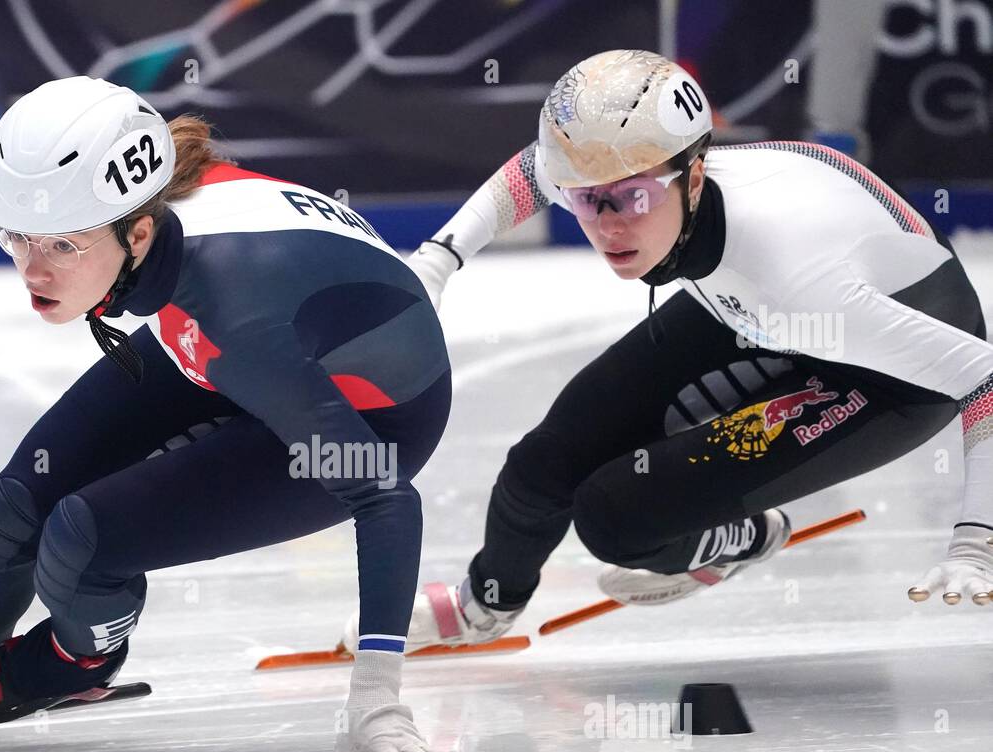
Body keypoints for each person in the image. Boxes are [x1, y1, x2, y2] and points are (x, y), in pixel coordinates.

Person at [0, 76, 469, 752]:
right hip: (254, 344)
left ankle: (77, 663)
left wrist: (377, 691)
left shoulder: (237, 319)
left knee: (80, 541)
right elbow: (39, 192)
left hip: (371, 409)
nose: (33, 270)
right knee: (1, 519)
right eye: (18, 241)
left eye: (62, 246)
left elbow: (385, 497)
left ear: (140, 233)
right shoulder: (150, 190)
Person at [344, 48, 991, 652]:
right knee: (545, 462)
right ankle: (484, 606)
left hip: (891, 366)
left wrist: (977, 539)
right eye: (586, 201)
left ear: (696, 176)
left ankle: (740, 539)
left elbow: (983, 378)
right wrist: (437, 260)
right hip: (768, 306)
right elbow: (531, 170)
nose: (608, 225)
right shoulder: (635, 169)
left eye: (631, 198)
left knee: (618, 518)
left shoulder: (793, 274)